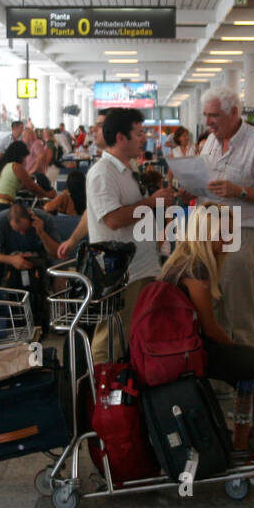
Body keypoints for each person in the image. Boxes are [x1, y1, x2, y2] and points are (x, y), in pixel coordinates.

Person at [159, 206, 254, 457]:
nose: (230, 238)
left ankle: (246, 434)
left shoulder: (185, 262)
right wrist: (236, 347)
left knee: (252, 362)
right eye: (224, 233)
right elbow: (210, 328)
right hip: (192, 351)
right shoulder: (197, 271)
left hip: (180, 348)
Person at [87, 107, 177, 364]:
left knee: (130, 335)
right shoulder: (102, 173)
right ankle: (101, 394)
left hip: (139, 267)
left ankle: (123, 393)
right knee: (111, 338)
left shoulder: (129, 169)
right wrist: (151, 202)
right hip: (119, 271)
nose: (144, 138)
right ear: (120, 138)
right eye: (138, 133)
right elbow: (113, 219)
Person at [196, 86, 254, 348]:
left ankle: (248, 382)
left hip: (240, 234)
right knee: (212, 311)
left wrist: (241, 192)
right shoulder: (211, 141)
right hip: (207, 232)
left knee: (240, 313)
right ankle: (220, 380)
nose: (208, 122)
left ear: (234, 112)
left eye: (214, 115)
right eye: (206, 115)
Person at [0, 140, 53, 217]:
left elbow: (11, 184)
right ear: (20, 156)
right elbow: (32, 187)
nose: (25, 161)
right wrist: (47, 194)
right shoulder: (16, 166)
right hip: (0, 205)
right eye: (25, 157)